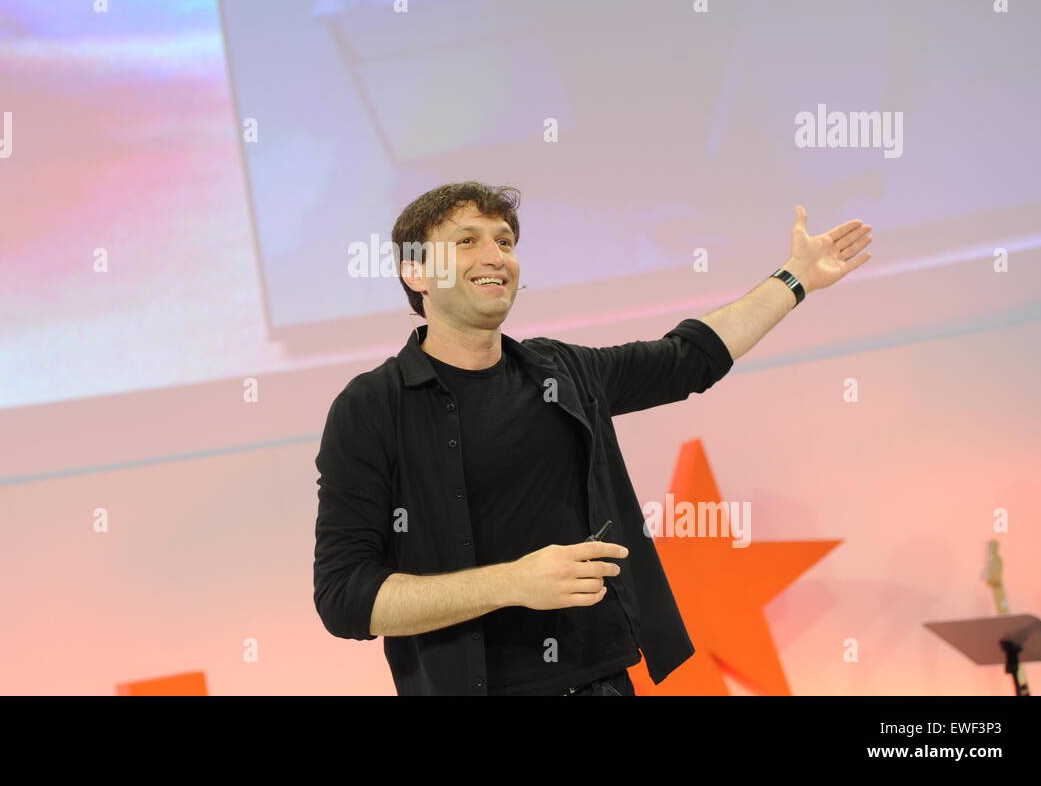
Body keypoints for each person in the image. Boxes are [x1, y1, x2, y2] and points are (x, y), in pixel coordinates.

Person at [313, 182, 871, 695]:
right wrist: (511, 583)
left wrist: (795, 278)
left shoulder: (563, 373)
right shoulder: (371, 408)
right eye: (467, 241)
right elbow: (346, 598)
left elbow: (689, 360)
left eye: (505, 241)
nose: (494, 257)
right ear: (416, 273)